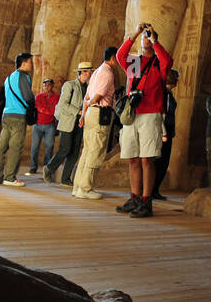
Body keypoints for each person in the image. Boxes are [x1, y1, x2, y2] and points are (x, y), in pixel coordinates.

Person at [114, 24, 171, 218]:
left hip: (151, 114)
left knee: (147, 158)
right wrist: (136, 33)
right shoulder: (135, 63)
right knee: (133, 158)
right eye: (143, 37)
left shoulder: (158, 64)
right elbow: (120, 56)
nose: (145, 38)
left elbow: (167, 60)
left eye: (148, 36)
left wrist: (155, 40)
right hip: (132, 114)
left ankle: (147, 201)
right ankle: (135, 197)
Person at [74, 46, 120, 200]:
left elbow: (86, 96)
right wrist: (92, 105)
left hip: (91, 113)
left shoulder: (96, 73)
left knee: (87, 150)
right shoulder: (107, 73)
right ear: (113, 58)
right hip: (100, 113)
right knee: (96, 150)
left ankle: (77, 186)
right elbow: (97, 96)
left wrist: (84, 114)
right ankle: (85, 188)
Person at [0, 53, 35, 187]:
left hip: (7, 114)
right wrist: (33, 104)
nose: (31, 65)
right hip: (18, 115)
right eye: (30, 62)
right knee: (16, 147)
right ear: (24, 63)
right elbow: (27, 96)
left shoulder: (9, 77)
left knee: (1, 147)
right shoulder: (23, 77)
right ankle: (9, 178)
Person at [45, 62, 91, 185]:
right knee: (64, 149)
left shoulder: (87, 87)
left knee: (75, 152)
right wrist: (79, 112)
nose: (89, 74)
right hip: (67, 121)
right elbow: (64, 104)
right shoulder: (69, 85)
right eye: (87, 71)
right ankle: (49, 168)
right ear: (81, 72)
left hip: (80, 123)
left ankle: (65, 179)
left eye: (90, 71)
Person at [153, 68, 179, 201]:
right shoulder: (165, 94)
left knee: (161, 161)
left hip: (165, 130)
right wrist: (164, 133)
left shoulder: (166, 93)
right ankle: (153, 189)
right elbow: (162, 115)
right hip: (164, 131)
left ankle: (153, 189)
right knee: (161, 161)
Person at [28, 78, 59, 175]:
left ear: (52, 86)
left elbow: (54, 111)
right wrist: (47, 110)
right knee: (34, 147)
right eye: (45, 85)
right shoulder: (38, 96)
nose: (47, 87)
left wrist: (43, 109)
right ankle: (33, 167)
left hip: (49, 125)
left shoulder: (56, 97)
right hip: (37, 125)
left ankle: (47, 167)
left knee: (49, 146)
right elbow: (38, 107)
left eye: (49, 85)